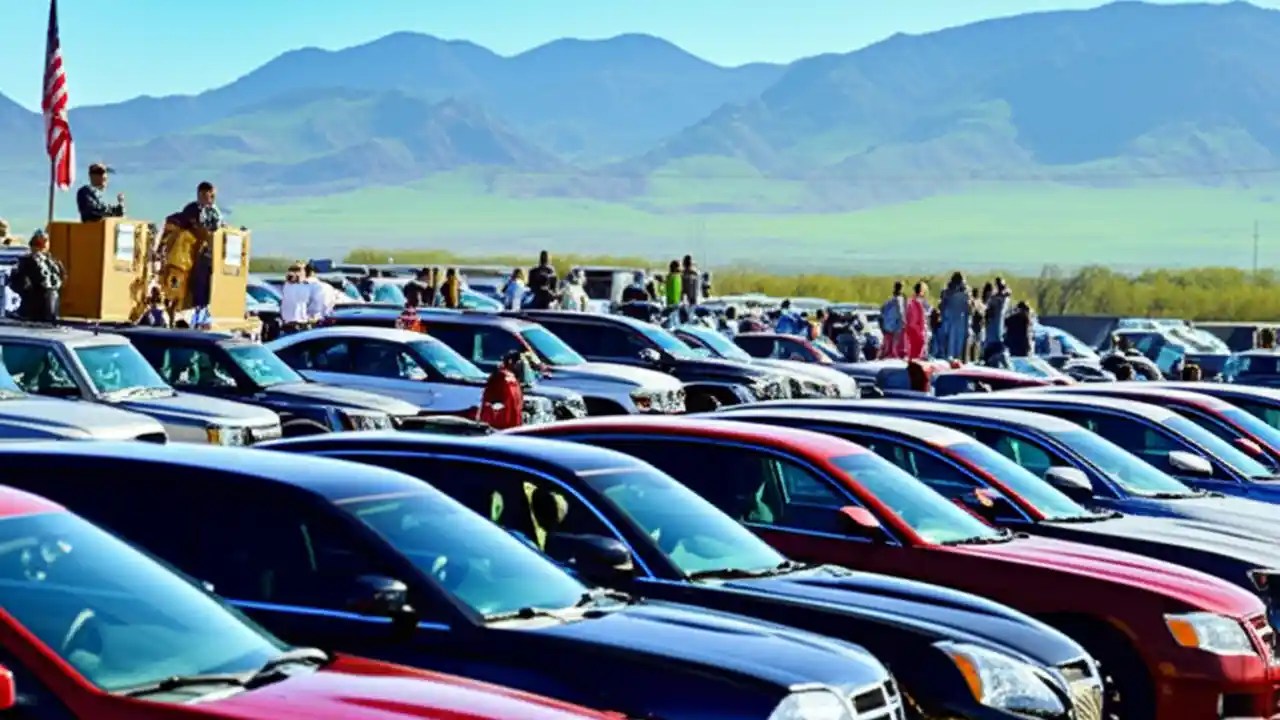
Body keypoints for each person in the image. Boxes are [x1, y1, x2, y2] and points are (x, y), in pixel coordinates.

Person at [8, 230, 63, 322]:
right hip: (53, 302)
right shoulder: (53, 261)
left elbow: (18, 284)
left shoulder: (26, 261)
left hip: (33, 307)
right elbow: (61, 277)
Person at [479, 351, 525, 430]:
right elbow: (490, 400)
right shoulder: (502, 377)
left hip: (509, 424)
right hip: (502, 425)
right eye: (518, 362)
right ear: (510, 362)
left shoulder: (508, 377)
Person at [939, 272, 971, 360]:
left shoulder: (948, 292)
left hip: (952, 320)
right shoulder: (964, 294)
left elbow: (941, 307)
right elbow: (968, 310)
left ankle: (952, 359)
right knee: (955, 346)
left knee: (951, 346)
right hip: (956, 321)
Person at [279, 263, 313, 334]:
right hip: (299, 321)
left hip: (287, 321)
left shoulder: (286, 285)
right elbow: (306, 300)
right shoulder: (303, 286)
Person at [984, 277, 1012, 355]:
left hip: (998, 326)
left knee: (997, 334)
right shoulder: (993, 298)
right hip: (992, 326)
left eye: (1001, 285)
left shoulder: (1003, 297)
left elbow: (1008, 293)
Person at [880, 281, 906, 359]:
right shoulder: (899, 299)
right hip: (896, 325)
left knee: (889, 342)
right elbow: (900, 312)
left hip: (888, 325)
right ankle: (895, 354)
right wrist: (904, 322)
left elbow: (882, 310)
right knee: (896, 341)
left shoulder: (889, 300)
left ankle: (888, 354)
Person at [904, 281, 930, 360]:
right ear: (921, 291)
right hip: (917, 331)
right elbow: (919, 318)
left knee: (912, 353)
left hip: (911, 329)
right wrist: (921, 331)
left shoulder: (910, 301)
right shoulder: (918, 303)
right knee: (917, 354)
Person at [969, 287, 986, 362]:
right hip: (976, 325)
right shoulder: (978, 303)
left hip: (975, 324)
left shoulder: (975, 302)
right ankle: (975, 358)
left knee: (975, 343)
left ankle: (974, 358)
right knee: (976, 343)